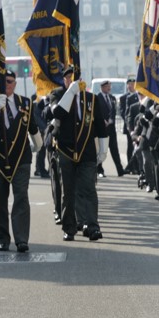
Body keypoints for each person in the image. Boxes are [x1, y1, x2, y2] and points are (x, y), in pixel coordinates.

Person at [0, 73, 40, 252]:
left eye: (10, 81)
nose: (7, 84)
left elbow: (32, 127)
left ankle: (21, 239)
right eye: (3, 81)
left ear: (15, 83)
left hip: (21, 158)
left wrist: (39, 145)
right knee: (0, 199)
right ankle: (3, 238)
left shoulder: (25, 102)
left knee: (21, 197)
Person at [49, 75, 109, 241]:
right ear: (65, 80)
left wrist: (103, 150)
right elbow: (57, 113)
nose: (73, 81)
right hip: (66, 151)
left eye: (76, 78)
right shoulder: (57, 95)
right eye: (69, 78)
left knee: (89, 190)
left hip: (86, 151)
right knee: (68, 192)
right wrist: (70, 92)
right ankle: (69, 228)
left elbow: (100, 125)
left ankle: (93, 227)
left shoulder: (91, 99)